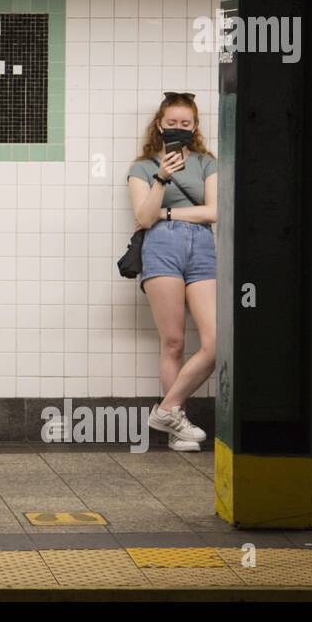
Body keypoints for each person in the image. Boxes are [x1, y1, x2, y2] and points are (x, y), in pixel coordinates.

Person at [126, 92, 218, 452]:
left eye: (185, 123)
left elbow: (214, 212)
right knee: (174, 342)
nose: (178, 128)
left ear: (194, 127)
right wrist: (162, 177)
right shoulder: (143, 167)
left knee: (214, 344)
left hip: (202, 248)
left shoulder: (207, 163)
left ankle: (165, 410)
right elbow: (144, 218)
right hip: (161, 247)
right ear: (159, 125)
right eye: (172, 123)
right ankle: (177, 426)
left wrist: (168, 213)